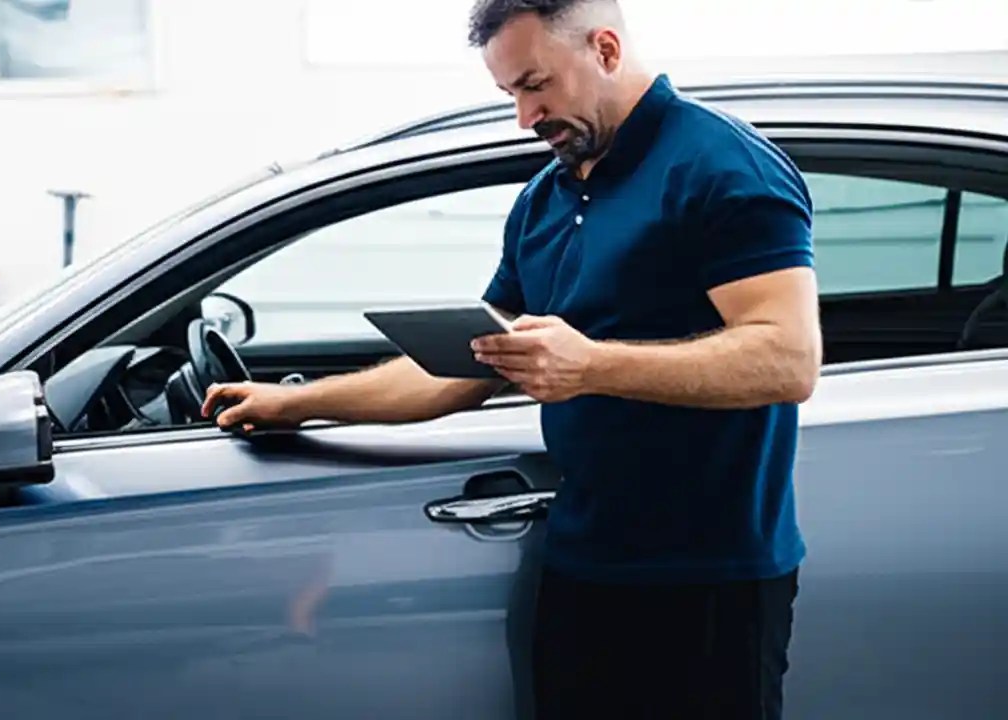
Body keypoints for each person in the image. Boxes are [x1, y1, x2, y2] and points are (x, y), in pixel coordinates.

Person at [202, 0, 822, 716]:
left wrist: (590, 366)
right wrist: (295, 402)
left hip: (711, 579)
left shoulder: (721, 167)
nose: (526, 117)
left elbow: (787, 358)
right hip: (582, 568)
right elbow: (469, 368)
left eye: (537, 85)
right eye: (511, 95)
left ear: (608, 50)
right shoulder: (545, 198)